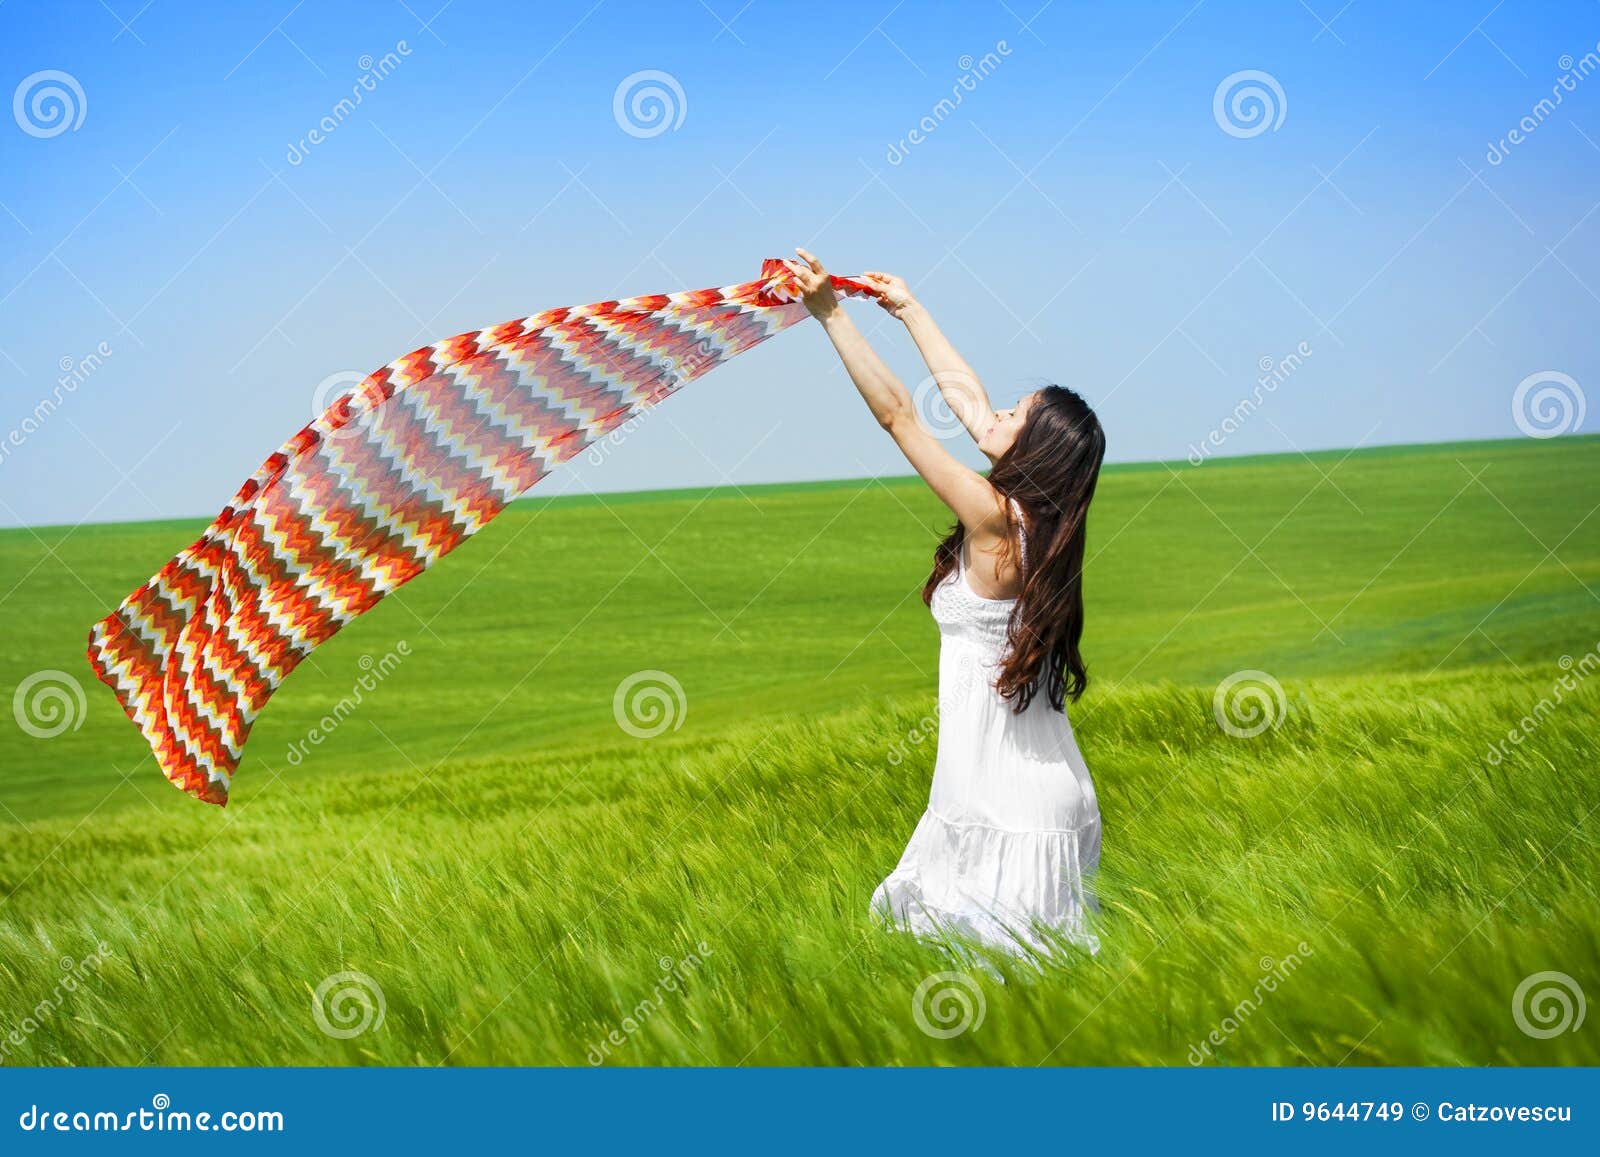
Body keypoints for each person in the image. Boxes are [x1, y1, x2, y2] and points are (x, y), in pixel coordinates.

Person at [785, 247, 1108, 955]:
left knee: (1003, 1000)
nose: (989, 413)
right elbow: (962, 397)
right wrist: (909, 308)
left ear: (1037, 450)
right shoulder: (1042, 524)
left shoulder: (995, 520)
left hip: (1008, 811)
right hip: (1023, 796)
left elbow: (902, 416)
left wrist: (829, 314)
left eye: (1012, 414)